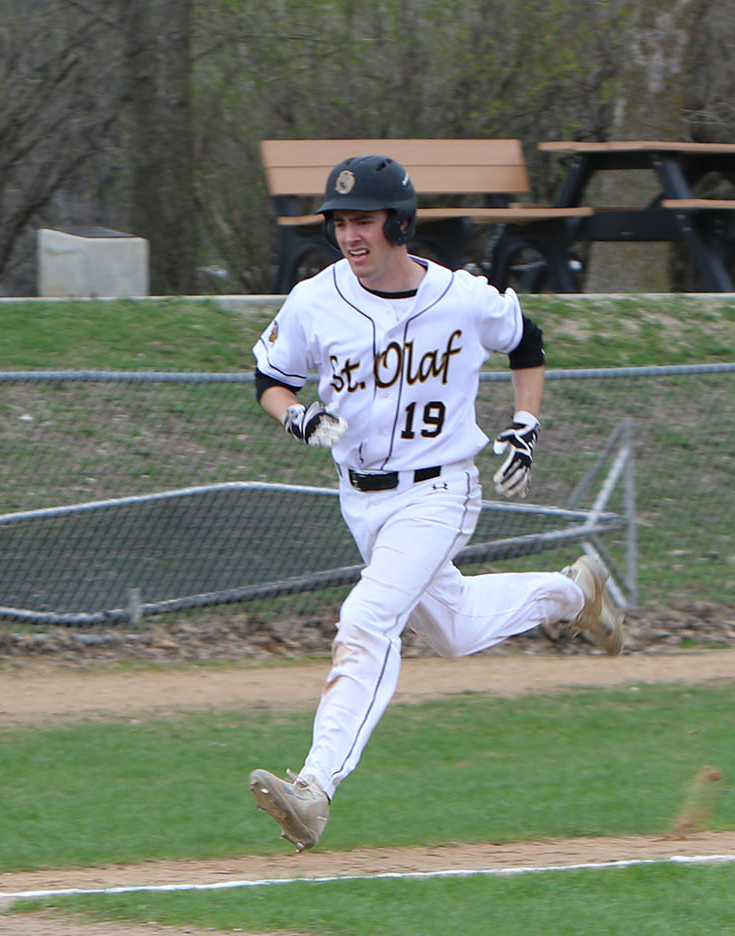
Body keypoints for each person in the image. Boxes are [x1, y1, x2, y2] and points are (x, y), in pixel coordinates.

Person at [247, 153, 624, 853]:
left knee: (367, 619)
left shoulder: (459, 297)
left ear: (400, 222)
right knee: (450, 630)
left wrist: (525, 425)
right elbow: (270, 376)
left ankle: (316, 789)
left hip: (440, 488)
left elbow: (526, 340)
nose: (350, 236)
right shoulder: (315, 300)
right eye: (339, 222)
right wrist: (294, 416)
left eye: (363, 221)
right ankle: (574, 596)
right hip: (359, 499)